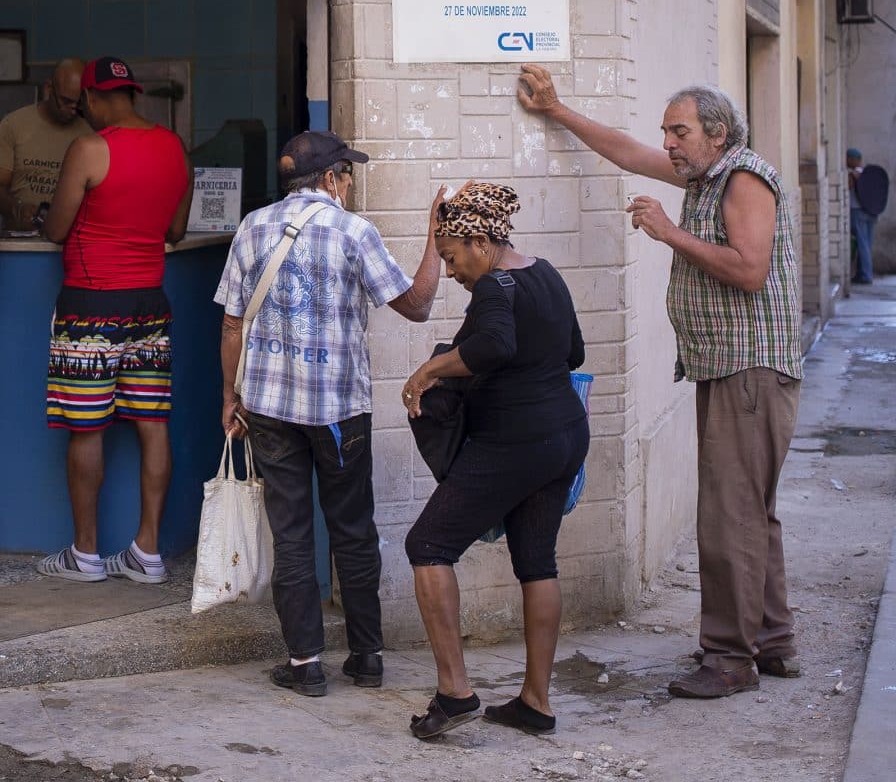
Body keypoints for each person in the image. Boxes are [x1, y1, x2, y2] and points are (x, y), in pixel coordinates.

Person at [517, 63, 803, 699]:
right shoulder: (704, 173)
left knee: (730, 518)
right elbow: (627, 151)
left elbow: (750, 270)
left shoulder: (744, 178)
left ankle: (730, 659)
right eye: (667, 133)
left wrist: (669, 234)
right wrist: (558, 111)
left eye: (679, 132)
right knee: (750, 512)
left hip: (748, 368)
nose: (668, 144)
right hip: (729, 366)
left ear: (718, 133)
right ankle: (773, 639)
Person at [216, 131, 441, 699]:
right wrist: (435, 239)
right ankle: (366, 656)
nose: (350, 184)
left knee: (291, 534)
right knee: (352, 528)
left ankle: (304, 664)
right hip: (340, 411)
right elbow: (415, 307)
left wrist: (229, 395)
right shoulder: (353, 230)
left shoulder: (252, 227)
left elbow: (232, 324)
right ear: (332, 179)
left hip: (268, 408)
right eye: (349, 175)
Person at [400, 181, 588, 738]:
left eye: (452, 258)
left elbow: (494, 348)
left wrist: (428, 372)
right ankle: (535, 702)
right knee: (537, 562)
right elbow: (573, 351)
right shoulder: (545, 272)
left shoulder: (494, 288)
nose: (453, 272)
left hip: (515, 442)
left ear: (479, 241)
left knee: (427, 545)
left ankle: (455, 693)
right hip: (565, 436)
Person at [34, 56, 192, 585]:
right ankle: (147, 552)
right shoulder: (174, 148)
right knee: (153, 424)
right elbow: (175, 229)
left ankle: (85, 555)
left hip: (90, 309)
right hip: (150, 304)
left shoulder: (89, 148)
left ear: (97, 99)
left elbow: (56, 229)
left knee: (87, 426)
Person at [0, 57, 94, 231]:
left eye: (80, 103)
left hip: (72, 241)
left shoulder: (91, 132)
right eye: (67, 101)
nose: (73, 109)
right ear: (48, 89)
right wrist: (18, 208)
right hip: (21, 242)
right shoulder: (14, 124)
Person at [848, 148, 877, 285]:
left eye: (848, 158)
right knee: (866, 244)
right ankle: (862, 273)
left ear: (854, 159)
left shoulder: (856, 173)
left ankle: (866, 275)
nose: (846, 161)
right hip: (872, 212)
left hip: (857, 211)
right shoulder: (870, 173)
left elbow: (849, 185)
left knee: (862, 244)